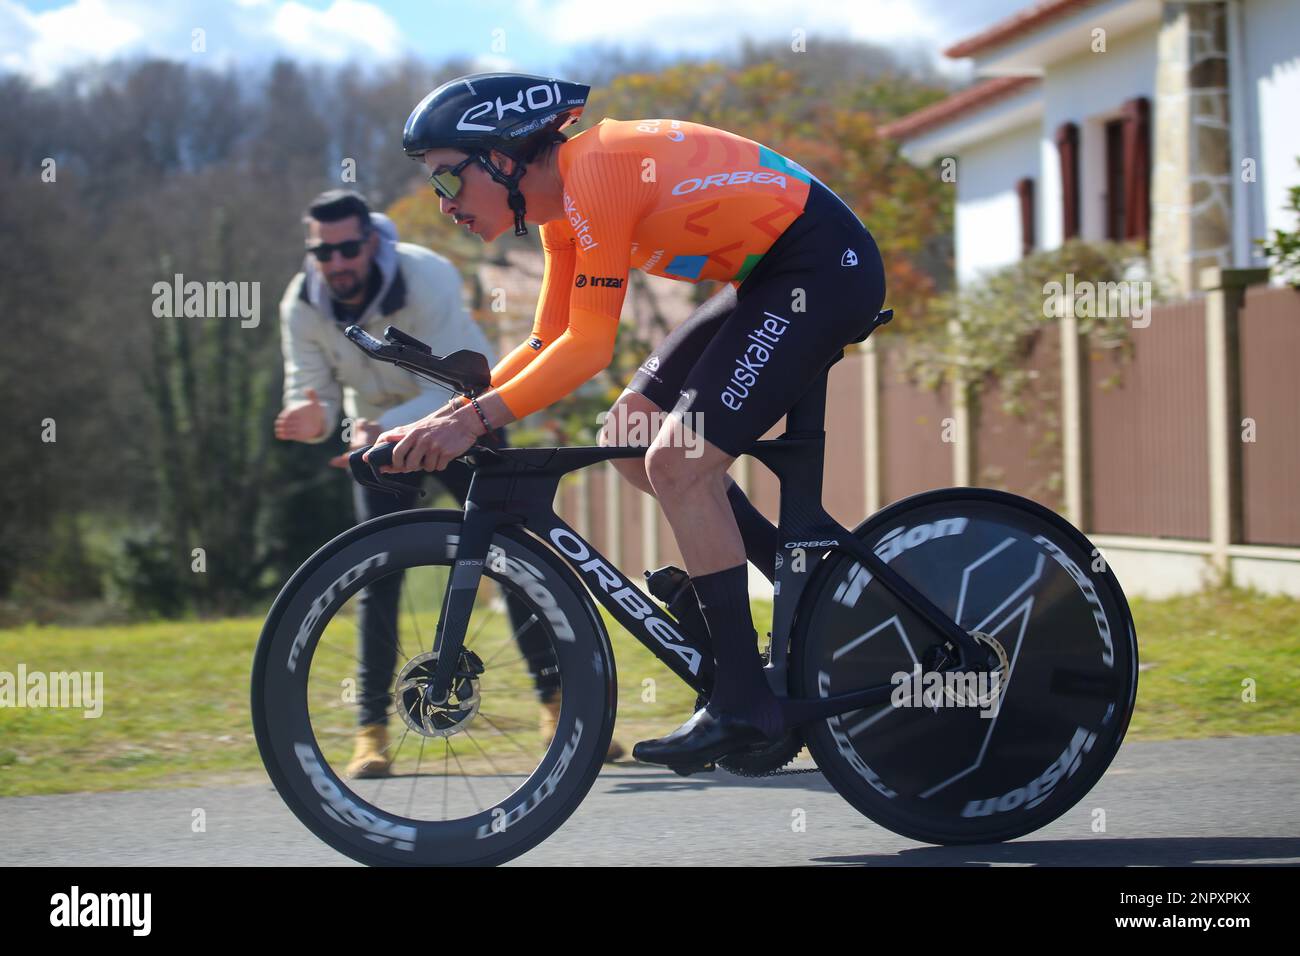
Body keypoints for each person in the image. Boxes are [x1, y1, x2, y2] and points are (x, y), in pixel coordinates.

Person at [376, 73, 886, 772]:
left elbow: (590, 349)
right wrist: (447, 415)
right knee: (631, 434)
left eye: (448, 181)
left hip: (820, 266)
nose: (446, 206)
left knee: (677, 462)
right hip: (773, 274)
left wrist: (470, 424)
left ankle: (743, 700)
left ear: (499, 157)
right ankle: (823, 600)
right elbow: (544, 342)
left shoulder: (599, 172)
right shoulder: (560, 215)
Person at [275, 189, 623, 776]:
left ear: (373, 243)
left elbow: (453, 384)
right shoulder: (301, 303)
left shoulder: (426, 274)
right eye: (322, 251)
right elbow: (311, 390)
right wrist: (312, 423)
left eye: (348, 248)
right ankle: (371, 732)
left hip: (465, 415)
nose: (336, 263)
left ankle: (559, 706)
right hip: (378, 430)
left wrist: (380, 428)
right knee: (375, 577)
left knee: (516, 567)